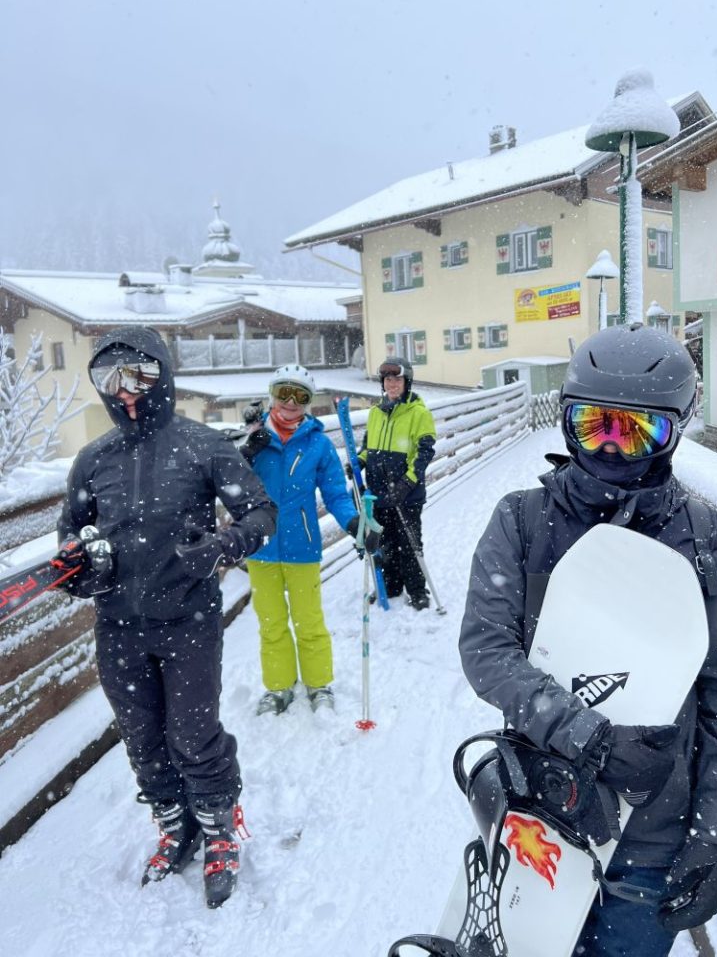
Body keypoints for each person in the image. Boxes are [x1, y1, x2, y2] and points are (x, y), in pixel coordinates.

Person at [459, 323, 717, 957]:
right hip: (541, 811)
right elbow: (488, 650)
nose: (613, 449)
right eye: (594, 425)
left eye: (638, 431)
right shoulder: (522, 520)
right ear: (566, 423)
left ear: (674, 432)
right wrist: (587, 736)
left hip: (655, 833)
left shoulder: (706, 539)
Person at [57, 326, 277, 909]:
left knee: (192, 734)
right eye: (112, 382)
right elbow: (70, 547)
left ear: (163, 377)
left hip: (188, 622)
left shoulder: (203, 446)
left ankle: (218, 828)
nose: (127, 394)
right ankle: (175, 824)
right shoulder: (91, 461)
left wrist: (222, 548)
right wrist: (82, 571)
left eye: (140, 378)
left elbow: (260, 513)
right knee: (143, 740)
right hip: (119, 627)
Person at [240, 364, 380, 716]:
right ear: (272, 395)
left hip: (302, 546)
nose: (290, 402)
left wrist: (352, 522)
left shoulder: (317, 444)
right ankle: (279, 688)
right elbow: (229, 485)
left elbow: (335, 491)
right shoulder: (253, 438)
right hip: (261, 547)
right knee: (271, 624)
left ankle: (318, 684)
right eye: (283, 393)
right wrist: (246, 451)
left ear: (307, 402)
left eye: (299, 395)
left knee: (309, 621)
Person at [355, 357, 436, 609]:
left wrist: (407, 482)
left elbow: (425, 452)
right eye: (388, 379)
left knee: (409, 543)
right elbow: (369, 447)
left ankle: (417, 590)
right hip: (378, 493)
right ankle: (390, 585)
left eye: (397, 379)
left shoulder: (418, 413)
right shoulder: (375, 413)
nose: (392, 384)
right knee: (385, 541)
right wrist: (359, 461)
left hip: (405, 493)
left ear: (406, 382)